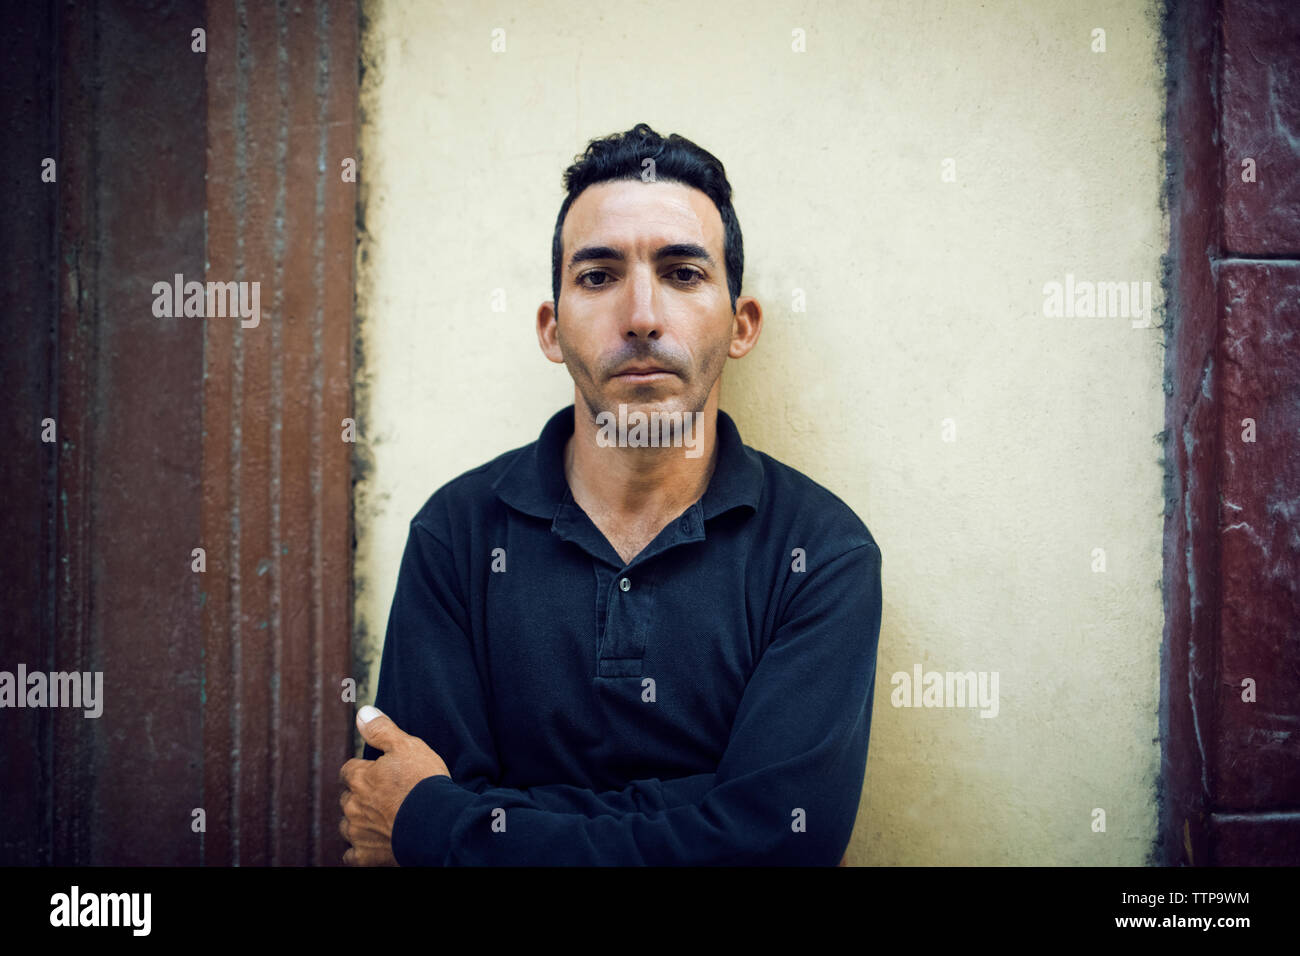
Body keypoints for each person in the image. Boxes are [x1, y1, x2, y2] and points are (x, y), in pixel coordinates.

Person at [338, 123, 883, 866]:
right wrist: (703, 810)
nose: (642, 317)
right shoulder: (457, 533)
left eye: (684, 273)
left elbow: (775, 845)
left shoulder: (821, 553)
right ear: (552, 328)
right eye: (598, 276)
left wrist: (452, 827)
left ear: (742, 324)